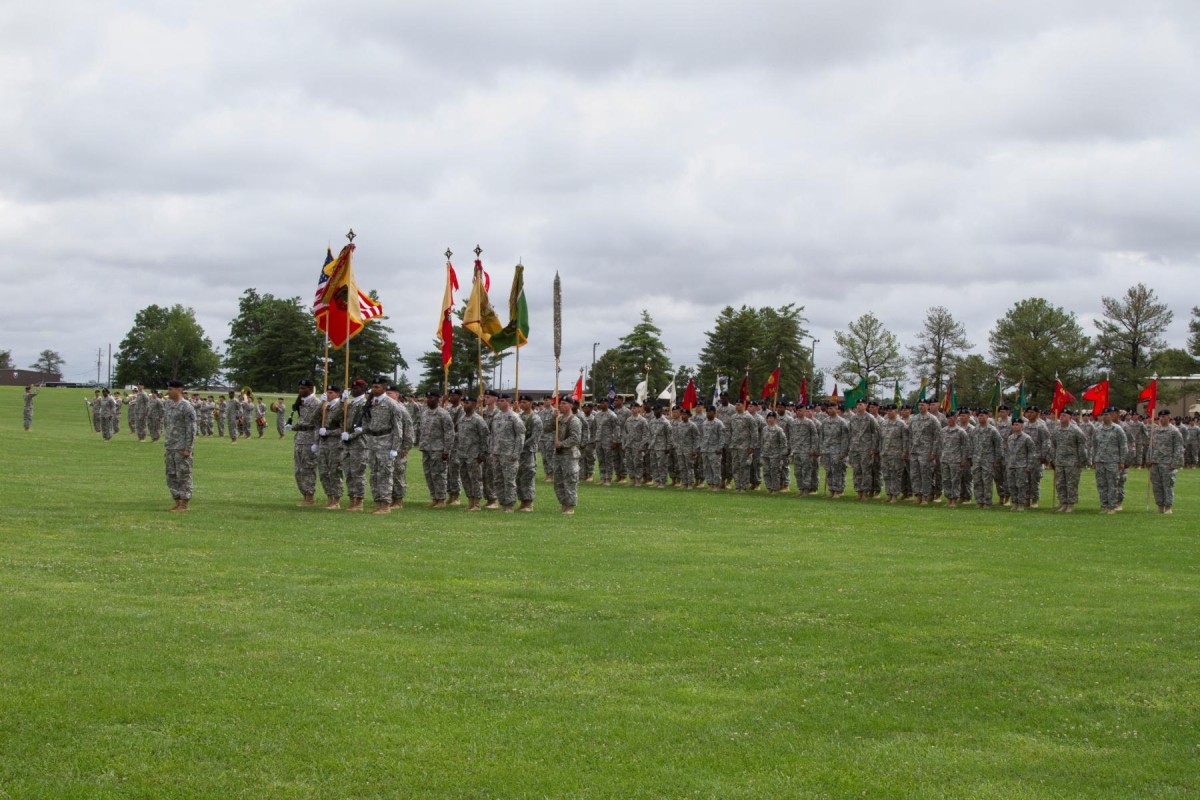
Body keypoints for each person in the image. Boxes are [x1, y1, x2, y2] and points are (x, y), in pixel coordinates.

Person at [360, 377, 405, 514]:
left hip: (386, 441)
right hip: (373, 441)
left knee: (385, 474)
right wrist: (365, 430)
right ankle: (378, 502)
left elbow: (398, 428)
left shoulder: (391, 404)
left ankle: (385, 504)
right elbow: (366, 420)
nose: (374, 389)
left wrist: (395, 448)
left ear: (384, 388)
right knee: (374, 474)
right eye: (373, 387)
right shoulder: (371, 402)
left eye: (377, 387)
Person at [163, 380, 197, 512]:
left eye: (170, 389)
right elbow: (168, 427)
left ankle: (184, 503)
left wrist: (188, 448)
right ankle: (177, 501)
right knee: (171, 475)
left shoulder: (187, 407)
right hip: (171, 446)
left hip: (182, 447)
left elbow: (191, 429)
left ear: (179, 390)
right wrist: (167, 447)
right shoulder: (169, 405)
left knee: (184, 475)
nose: (168, 392)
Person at [419, 390, 455, 509]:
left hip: (438, 449)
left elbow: (449, 433)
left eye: (432, 398)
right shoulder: (425, 413)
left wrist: (446, 451)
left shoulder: (443, 414)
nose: (429, 400)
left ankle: (441, 499)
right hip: (426, 448)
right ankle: (434, 497)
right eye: (428, 398)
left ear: (439, 399)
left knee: (438, 474)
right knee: (428, 474)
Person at [289, 379, 322, 506]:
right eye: (300, 388)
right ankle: (304, 494)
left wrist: (316, 442)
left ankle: (310, 496)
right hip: (300, 439)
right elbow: (302, 421)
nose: (300, 391)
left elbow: (318, 424)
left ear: (310, 388)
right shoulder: (302, 402)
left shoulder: (316, 403)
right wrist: (293, 427)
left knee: (308, 468)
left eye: (303, 388)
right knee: (298, 470)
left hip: (310, 440)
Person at [1049, 408, 1088, 513]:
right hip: (1059, 461)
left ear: (1070, 417)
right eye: (1061, 415)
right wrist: (1053, 459)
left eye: (1064, 415)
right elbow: (1053, 445)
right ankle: (1063, 503)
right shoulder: (1056, 430)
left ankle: (1070, 504)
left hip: (1072, 461)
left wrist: (1082, 460)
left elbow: (1082, 446)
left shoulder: (1076, 430)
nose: (1061, 417)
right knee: (1060, 483)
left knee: (1071, 484)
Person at [455, 395, 491, 512]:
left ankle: (477, 503)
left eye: (468, 403)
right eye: (464, 403)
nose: (465, 405)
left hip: (474, 454)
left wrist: (482, 454)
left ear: (475, 405)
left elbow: (485, 437)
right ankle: (470, 501)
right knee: (465, 478)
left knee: (475, 478)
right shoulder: (461, 418)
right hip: (462, 454)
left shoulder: (478, 420)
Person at [490, 394, 524, 512]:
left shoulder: (514, 417)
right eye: (498, 401)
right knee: (498, 480)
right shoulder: (496, 417)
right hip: (497, 453)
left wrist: (516, 453)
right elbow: (493, 436)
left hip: (509, 454)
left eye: (502, 400)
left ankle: (509, 504)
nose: (499, 403)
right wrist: (491, 452)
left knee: (509, 480)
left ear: (508, 402)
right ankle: (502, 502)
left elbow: (520, 436)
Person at [1149, 409, 1185, 514]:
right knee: (1157, 486)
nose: (1162, 418)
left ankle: (1168, 506)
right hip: (1156, 462)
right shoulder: (1155, 430)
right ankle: (1160, 506)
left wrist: (1175, 463)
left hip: (1167, 463)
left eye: (1164, 417)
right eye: (1160, 417)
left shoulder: (1174, 431)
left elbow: (1178, 448)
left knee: (1167, 485)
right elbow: (1151, 446)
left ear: (1169, 417)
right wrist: (1149, 458)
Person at [1093, 407, 1128, 514]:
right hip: (1100, 461)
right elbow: (1094, 445)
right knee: (1101, 485)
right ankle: (1104, 506)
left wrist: (1122, 461)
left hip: (1113, 461)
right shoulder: (1098, 429)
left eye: (1107, 414)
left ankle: (1112, 506)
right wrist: (1094, 459)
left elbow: (1123, 446)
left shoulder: (1117, 429)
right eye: (1103, 414)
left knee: (1112, 484)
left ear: (1111, 416)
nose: (1104, 416)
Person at [316, 385, 346, 510]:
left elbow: (343, 428)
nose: (328, 394)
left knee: (335, 471)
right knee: (323, 472)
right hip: (324, 443)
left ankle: (336, 499)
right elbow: (314, 417)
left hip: (335, 443)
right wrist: (321, 402)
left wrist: (328, 432)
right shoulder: (325, 406)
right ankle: (329, 497)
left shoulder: (342, 407)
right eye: (327, 392)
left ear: (338, 394)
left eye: (331, 392)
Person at [553, 396, 583, 514]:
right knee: (559, 482)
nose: (561, 406)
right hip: (559, 455)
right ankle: (563, 504)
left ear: (571, 405)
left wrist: (561, 444)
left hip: (570, 455)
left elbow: (575, 438)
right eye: (560, 404)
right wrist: (552, 418)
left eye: (564, 403)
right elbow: (547, 428)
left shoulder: (574, 420)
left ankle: (570, 506)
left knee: (570, 480)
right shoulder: (558, 419)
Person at [1005, 418, 1037, 511]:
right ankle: (1014, 502)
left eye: (1017, 425)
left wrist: (1029, 465)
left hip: (1022, 465)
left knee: (1021, 485)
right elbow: (1007, 452)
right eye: (1014, 424)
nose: (1015, 426)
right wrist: (1007, 463)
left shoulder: (1026, 438)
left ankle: (1021, 503)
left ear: (1022, 426)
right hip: (1011, 465)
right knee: (1012, 485)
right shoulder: (1010, 438)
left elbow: (1032, 452)